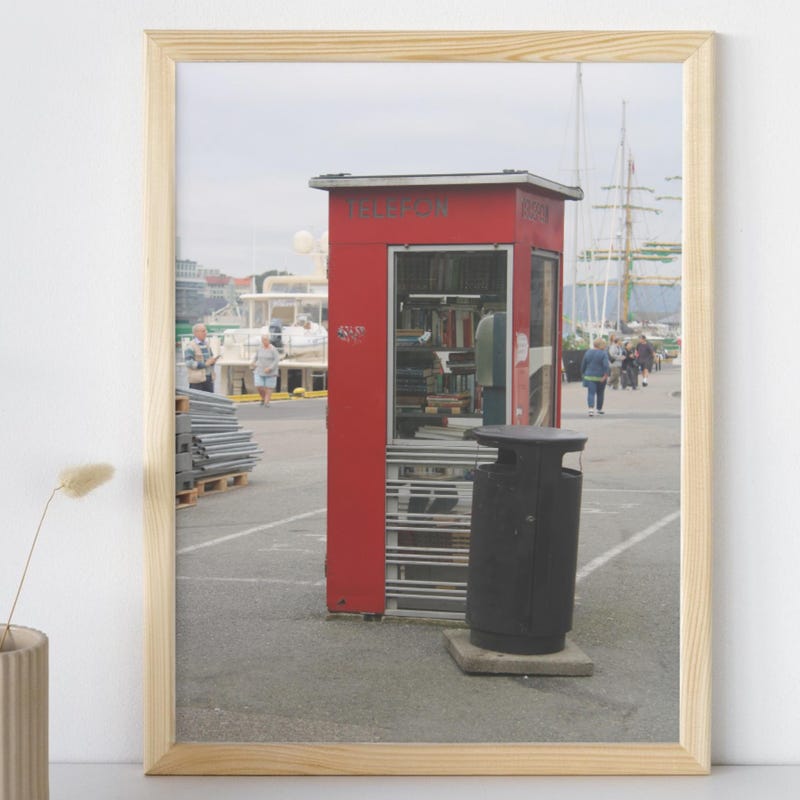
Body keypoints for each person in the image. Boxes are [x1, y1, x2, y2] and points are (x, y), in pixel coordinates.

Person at [184, 323, 219, 393]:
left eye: (205, 331)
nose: (206, 333)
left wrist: (213, 361)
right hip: (197, 381)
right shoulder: (190, 346)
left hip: (209, 379)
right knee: (198, 402)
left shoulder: (207, 344)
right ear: (196, 333)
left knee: (210, 401)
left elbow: (210, 358)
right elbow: (189, 363)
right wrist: (205, 364)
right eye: (203, 331)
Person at [580, 337, 610, 417]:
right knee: (600, 393)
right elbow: (606, 365)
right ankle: (599, 409)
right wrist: (606, 375)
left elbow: (583, 364)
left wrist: (583, 373)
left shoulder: (588, 352)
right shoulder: (603, 354)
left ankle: (590, 409)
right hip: (600, 377)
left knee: (591, 393)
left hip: (589, 376)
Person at [251, 332, 281, 406]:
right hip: (259, 370)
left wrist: (270, 368)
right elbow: (256, 357)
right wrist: (253, 362)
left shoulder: (273, 349)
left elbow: (276, 359)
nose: (265, 341)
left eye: (266, 340)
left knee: (268, 387)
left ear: (269, 340)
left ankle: (266, 402)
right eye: (263, 340)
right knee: (259, 386)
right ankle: (264, 398)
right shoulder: (260, 348)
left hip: (270, 372)